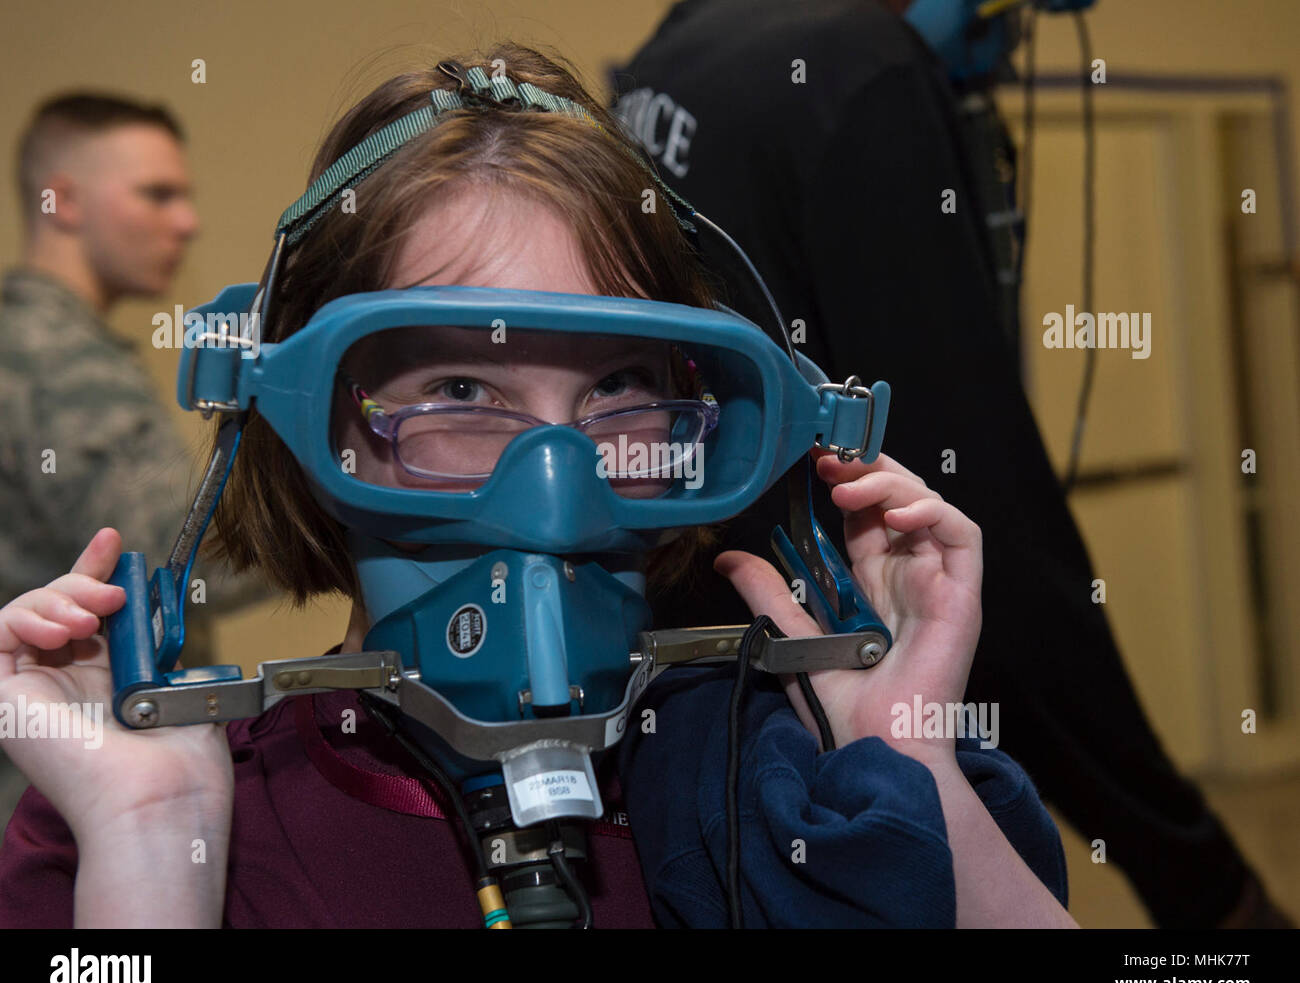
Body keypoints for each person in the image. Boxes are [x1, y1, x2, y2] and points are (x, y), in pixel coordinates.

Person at [0, 44, 1072, 928]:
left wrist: (905, 756)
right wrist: (150, 845)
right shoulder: (147, 813)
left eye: (616, 388)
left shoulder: (799, 769)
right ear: (312, 414)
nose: (556, 487)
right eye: (462, 386)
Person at [611, 0, 1288, 928]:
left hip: (671, 711)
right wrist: (1200, 880)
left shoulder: (677, 47)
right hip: (803, 704)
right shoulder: (866, 68)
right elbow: (991, 518)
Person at [0, 93, 265, 823]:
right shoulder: (51, 356)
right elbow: (174, 561)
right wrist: (353, 485)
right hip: (54, 808)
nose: (187, 221)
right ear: (67, 202)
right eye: (157, 194)